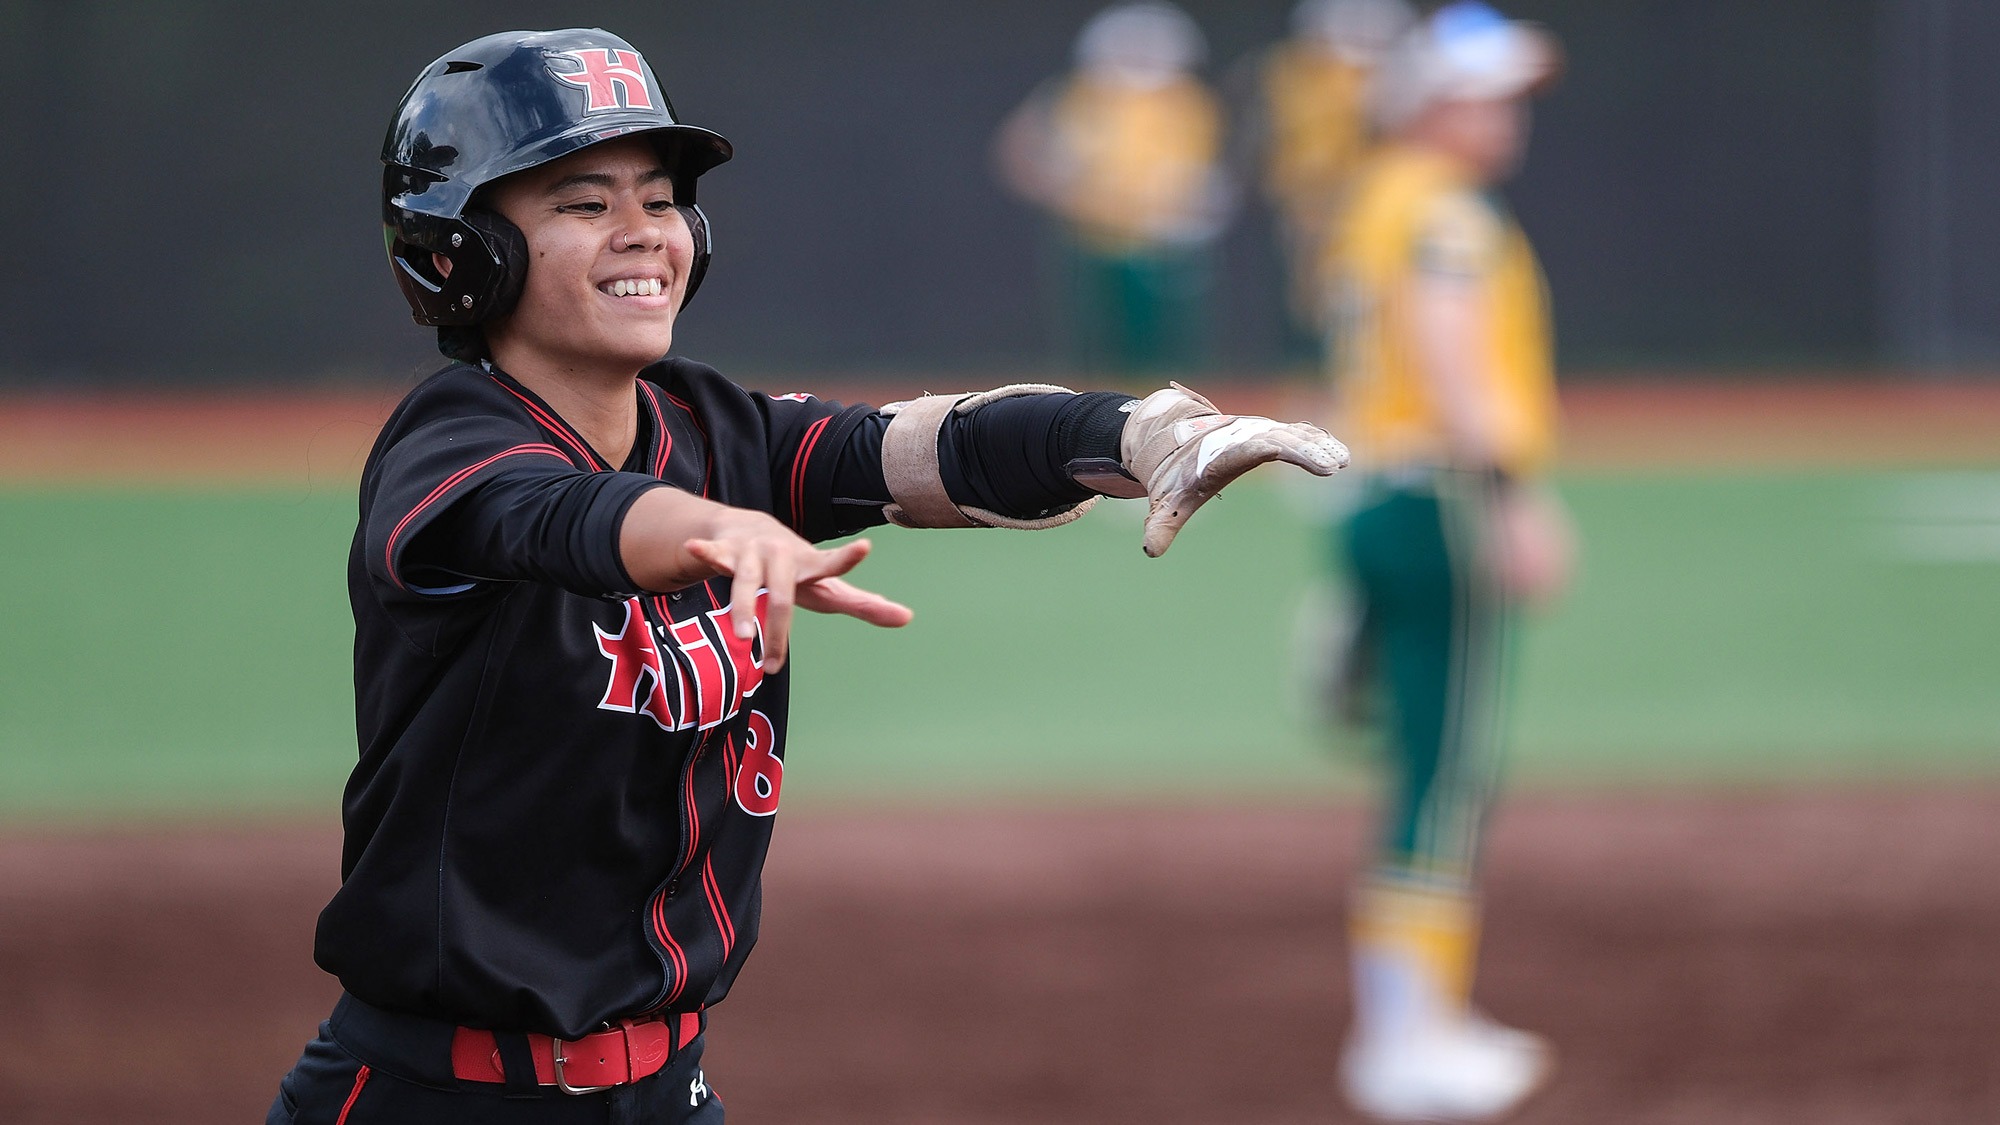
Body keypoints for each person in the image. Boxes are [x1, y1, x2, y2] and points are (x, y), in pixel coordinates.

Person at [265, 27, 1347, 1125]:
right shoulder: (450, 440)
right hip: (438, 1095)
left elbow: (925, 450)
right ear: (466, 250)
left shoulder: (711, 428)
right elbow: (553, 516)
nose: (642, 231)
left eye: (659, 199)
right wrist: (715, 532)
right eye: (584, 203)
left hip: (664, 1090)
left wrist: (1139, 432)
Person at [1315, 4, 1574, 1121]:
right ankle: (1406, 1038)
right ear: (1429, 103)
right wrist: (1511, 494)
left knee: (1426, 769)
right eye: (1484, 95)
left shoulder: (1376, 195)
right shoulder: (1445, 212)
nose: (1506, 116)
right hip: (1442, 500)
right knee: (1445, 774)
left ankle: (1414, 1023)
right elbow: (1447, 351)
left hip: (1382, 490)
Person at [994, 2, 1230, 375]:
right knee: (1098, 351)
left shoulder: (1189, 104)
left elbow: (1201, 175)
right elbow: (1024, 153)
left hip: (1164, 244)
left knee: (1167, 353)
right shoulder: (1075, 98)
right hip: (1093, 239)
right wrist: (1057, 187)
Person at [1251, 0, 1416, 363]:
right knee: (1314, 292)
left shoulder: (1398, 75)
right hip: (1314, 198)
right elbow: (1297, 140)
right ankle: (1307, 363)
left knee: (1370, 285)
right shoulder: (1295, 75)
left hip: (1378, 196)